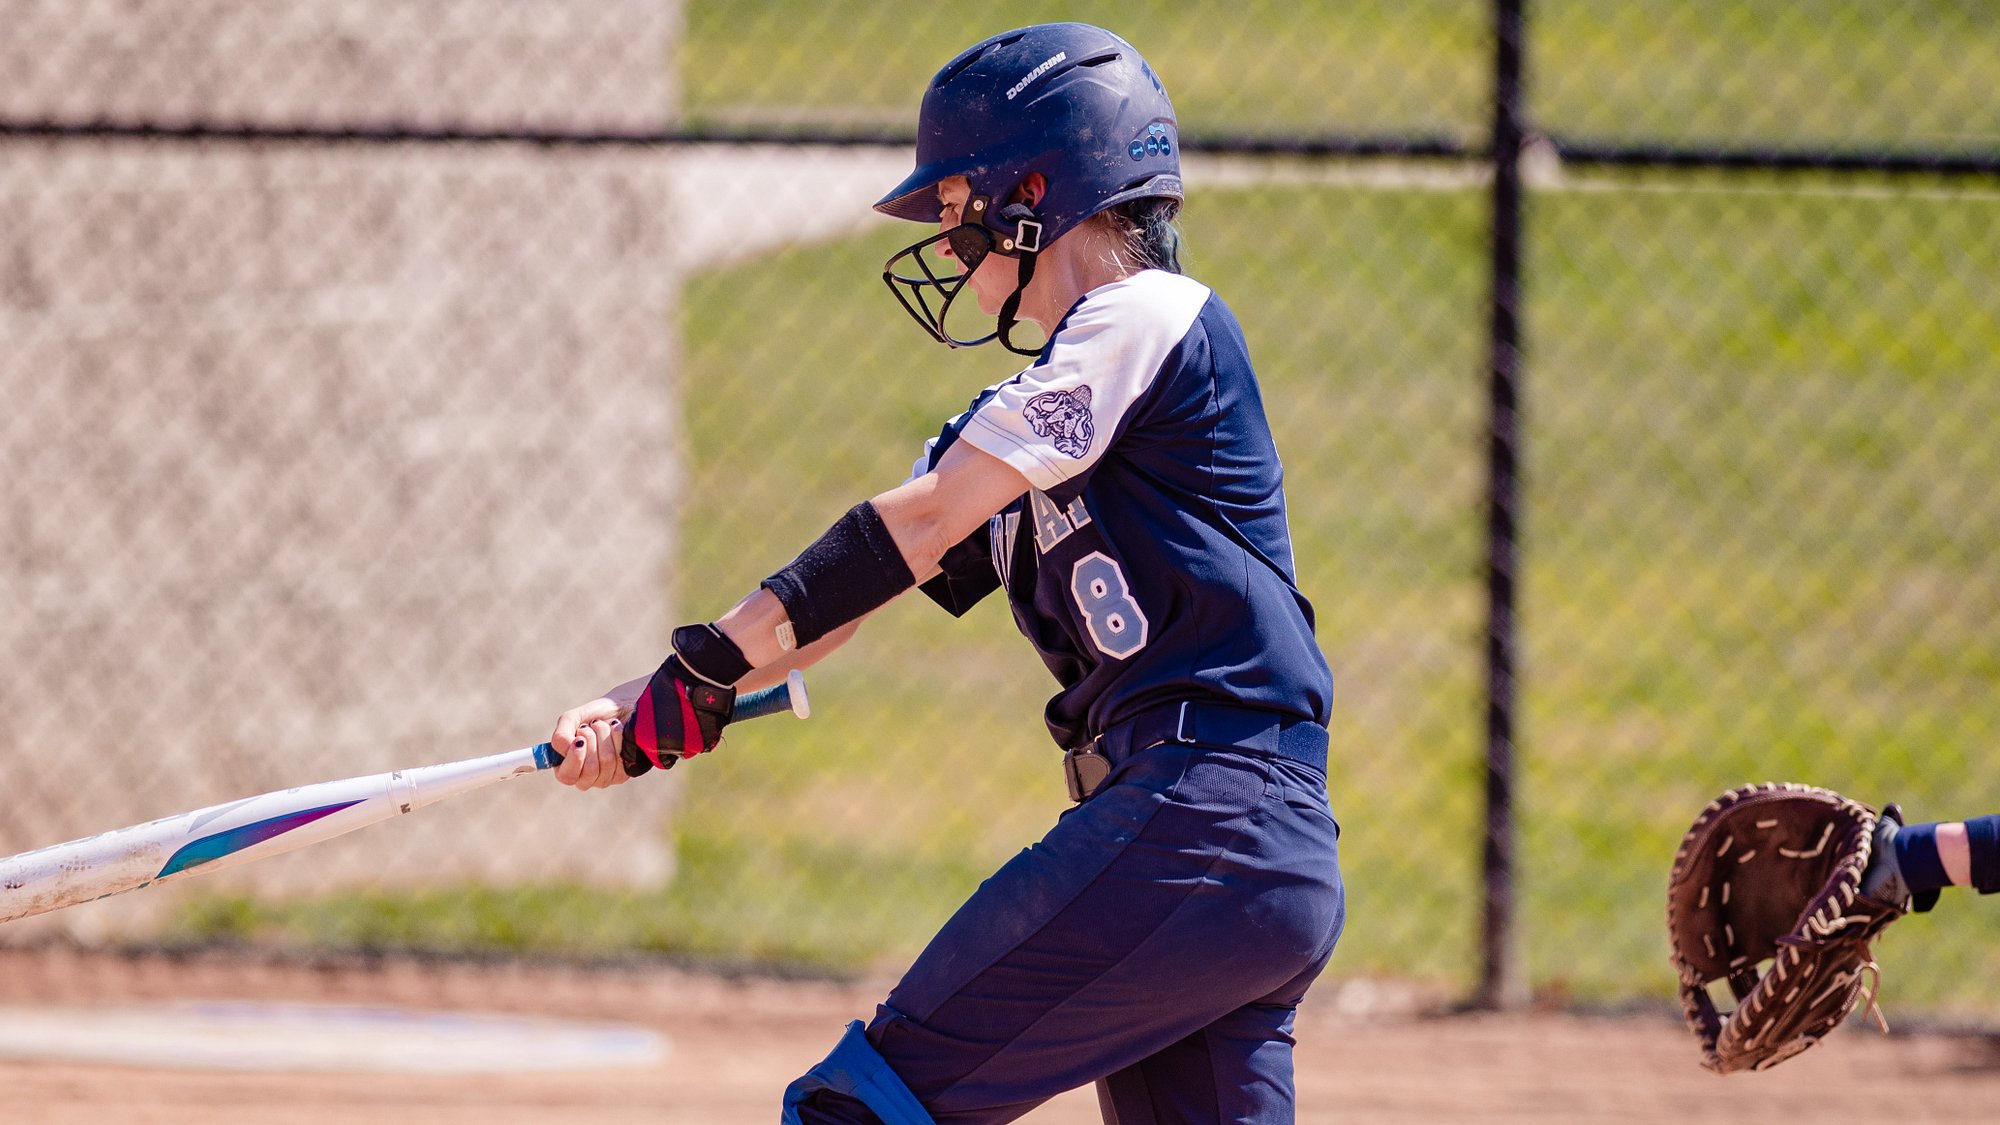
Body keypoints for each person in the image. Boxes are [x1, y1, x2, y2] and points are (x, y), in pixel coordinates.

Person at [550, 23, 1343, 1124]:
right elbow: (861, 592)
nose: (950, 244)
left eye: (961, 209)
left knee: (863, 1109)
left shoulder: (1149, 316)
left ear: (1036, 193)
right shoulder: (1021, 423)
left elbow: (918, 523)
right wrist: (668, 700)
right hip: (1236, 846)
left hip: (1201, 815)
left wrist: (709, 662)